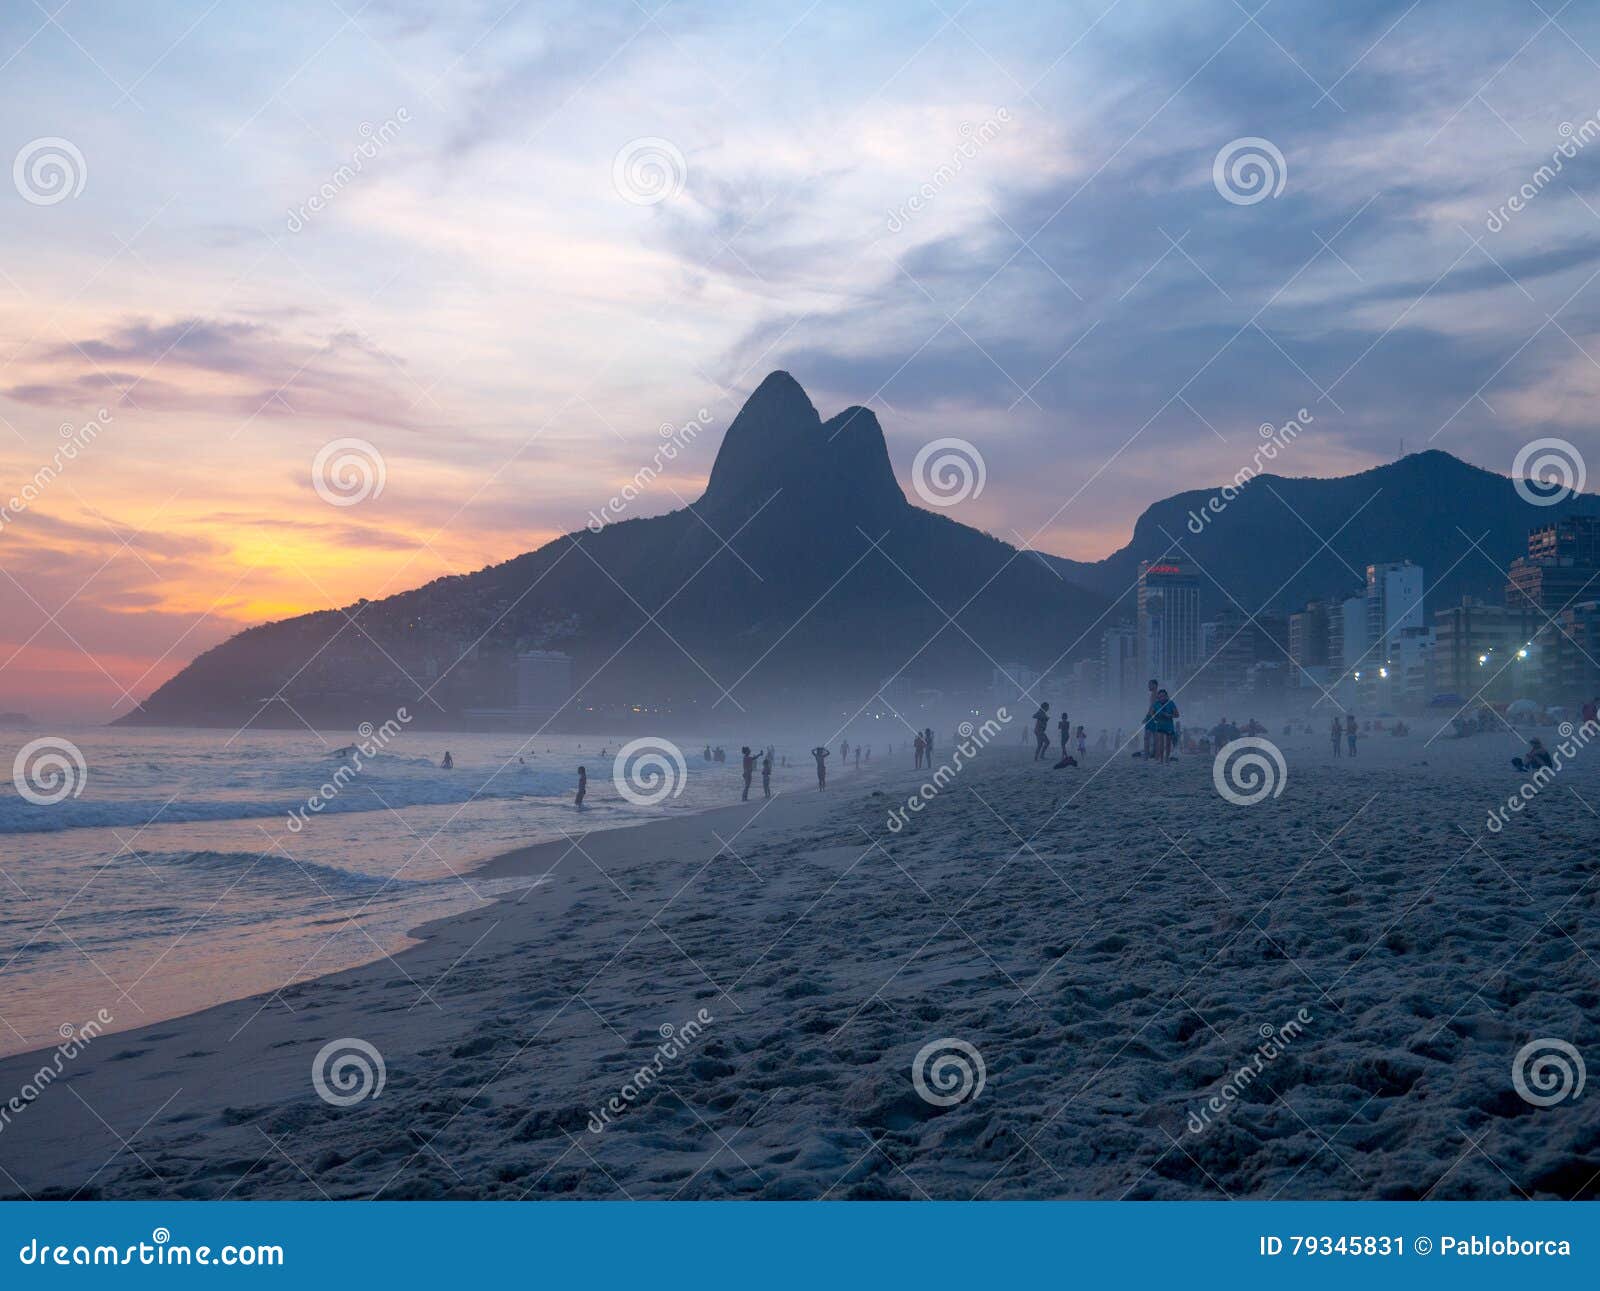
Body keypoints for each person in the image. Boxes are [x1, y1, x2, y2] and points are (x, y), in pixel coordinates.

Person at [1150, 688, 1179, 763]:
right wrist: (1155, 718)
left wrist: (1169, 715)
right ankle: (1161, 759)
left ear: (1166, 696)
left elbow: (1177, 715)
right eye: (1160, 697)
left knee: (1168, 743)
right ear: (1158, 697)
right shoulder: (1156, 704)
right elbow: (1152, 713)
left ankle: (1167, 759)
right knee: (1161, 742)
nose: (1162, 698)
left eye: (1163, 696)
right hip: (1160, 725)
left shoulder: (1171, 703)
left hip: (1169, 725)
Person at [1142, 680, 1159, 758]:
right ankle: (1154, 753)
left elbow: (1152, 706)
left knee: (1147, 737)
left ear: (1155, 685)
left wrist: (1147, 717)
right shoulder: (1156, 694)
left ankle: (1147, 754)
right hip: (1155, 716)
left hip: (1152, 716)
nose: (1148, 686)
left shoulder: (1154, 694)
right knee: (1155, 736)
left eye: (1150, 685)